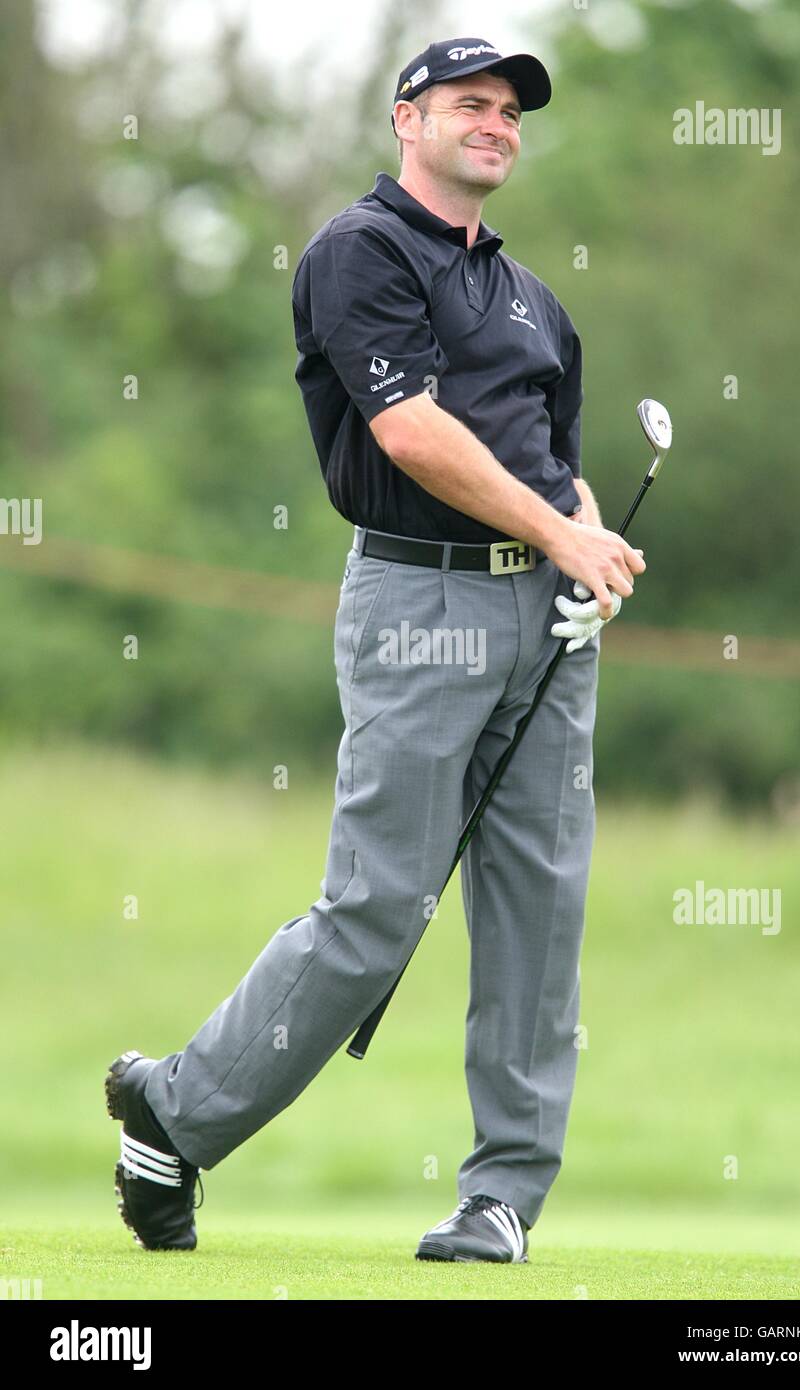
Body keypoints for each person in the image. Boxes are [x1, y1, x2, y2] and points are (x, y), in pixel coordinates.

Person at [105, 36, 646, 1264]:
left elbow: (552, 460)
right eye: (471, 102)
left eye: (509, 109)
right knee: (375, 909)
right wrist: (562, 530)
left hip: (544, 625)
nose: (496, 122)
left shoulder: (533, 301)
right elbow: (412, 434)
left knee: (536, 911)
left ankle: (500, 1196)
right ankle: (175, 1113)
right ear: (408, 119)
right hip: (419, 605)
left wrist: (593, 549)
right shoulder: (360, 251)